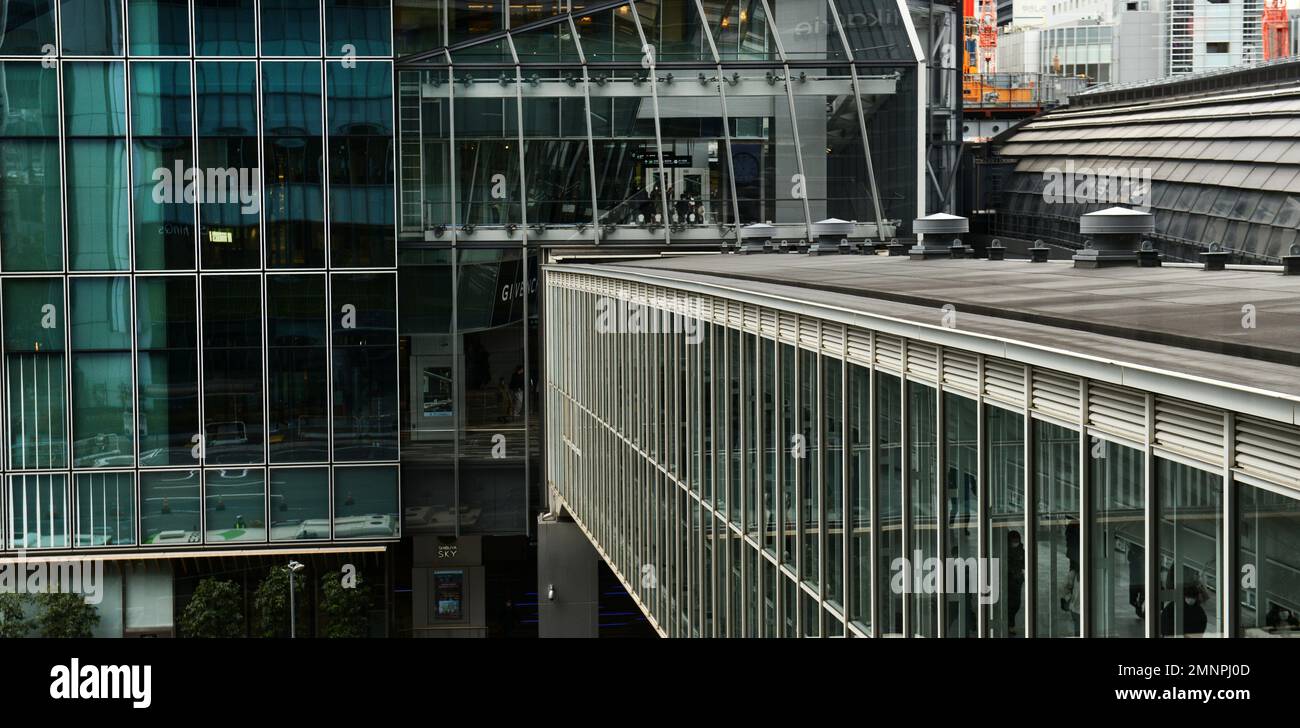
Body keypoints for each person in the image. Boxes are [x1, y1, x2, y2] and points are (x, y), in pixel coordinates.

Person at [1006, 530, 1025, 635]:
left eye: (1017, 541)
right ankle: (1010, 625)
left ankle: (1010, 624)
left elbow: (1025, 563)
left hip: (1017, 581)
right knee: (1010, 604)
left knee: (1016, 604)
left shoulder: (1021, 550)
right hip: (1008, 580)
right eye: (1013, 541)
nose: (1015, 542)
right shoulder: (1005, 551)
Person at [1127, 542, 1145, 620]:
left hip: (1137, 581)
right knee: (1134, 599)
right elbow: (1129, 558)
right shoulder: (1135, 556)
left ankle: (1140, 607)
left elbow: (1129, 558)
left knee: (1134, 599)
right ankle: (1139, 606)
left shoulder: (1137, 557)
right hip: (1136, 580)